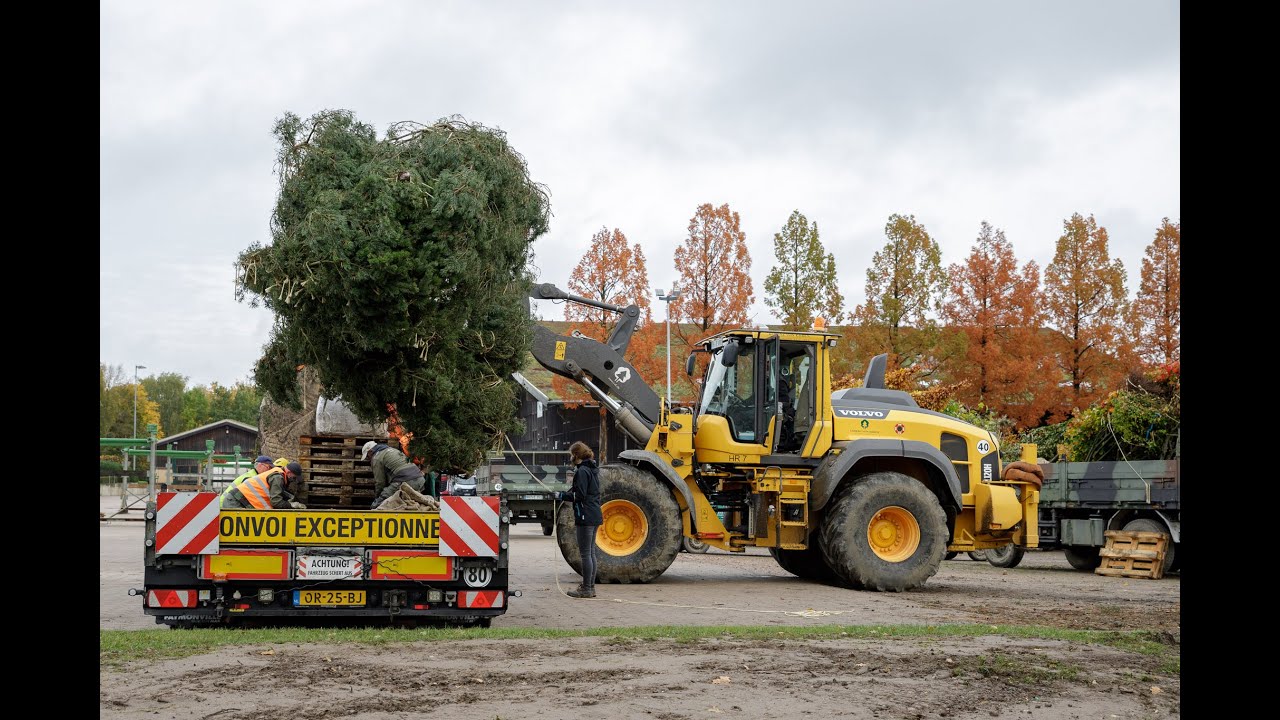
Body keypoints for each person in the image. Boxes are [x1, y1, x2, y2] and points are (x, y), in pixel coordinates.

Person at [554, 441, 602, 599]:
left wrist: (561, 495)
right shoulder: (592, 469)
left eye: (571, 454)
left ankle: (586, 588)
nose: (570, 457)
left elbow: (579, 495)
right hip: (594, 515)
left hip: (585, 516)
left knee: (585, 554)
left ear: (576, 455)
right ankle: (591, 587)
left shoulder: (582, 471)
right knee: (591, 553)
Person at [362, 440, 428, 509]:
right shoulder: (392, 450)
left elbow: (380, 482)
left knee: (381, 500)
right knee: (408, 501)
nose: (368, 459)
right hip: (420, 480)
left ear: (370, 451)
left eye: (367, 456)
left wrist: (377, 498)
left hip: (406, 481)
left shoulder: (376, 458)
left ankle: (372, 515)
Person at [222, 458, 304, 510]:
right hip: (236, 501)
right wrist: (292, 505)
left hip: (240, 501)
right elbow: (276, 502)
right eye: (294, 477)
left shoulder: (277, 474)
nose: (293, 480)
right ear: (289, 473)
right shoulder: (278, 477)